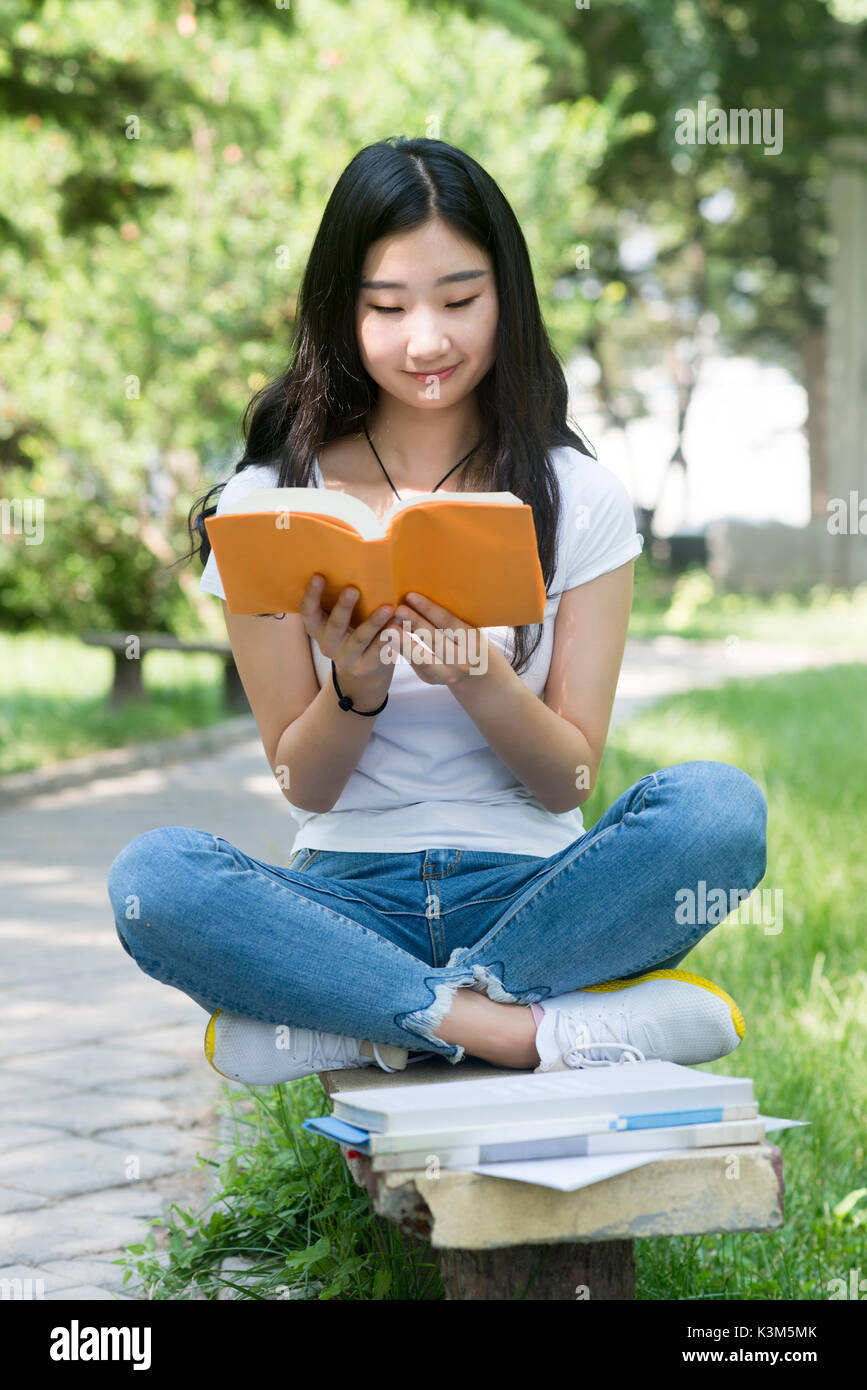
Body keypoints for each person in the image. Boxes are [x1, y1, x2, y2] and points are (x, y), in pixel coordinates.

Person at [107, 137, 767, 1086]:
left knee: (717, 811)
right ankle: (515, 1029)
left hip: (536, 895)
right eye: (387, 307)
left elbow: (567, 780)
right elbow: (305, 786)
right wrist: (357, 689)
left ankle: (365, 1016)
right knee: (154, 880)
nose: (426, 341)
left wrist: (479, 678)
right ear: (342, 309)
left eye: (459, 301)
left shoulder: (578, 497)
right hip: (345, 897)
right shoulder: (263, 504)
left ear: (507, 295)